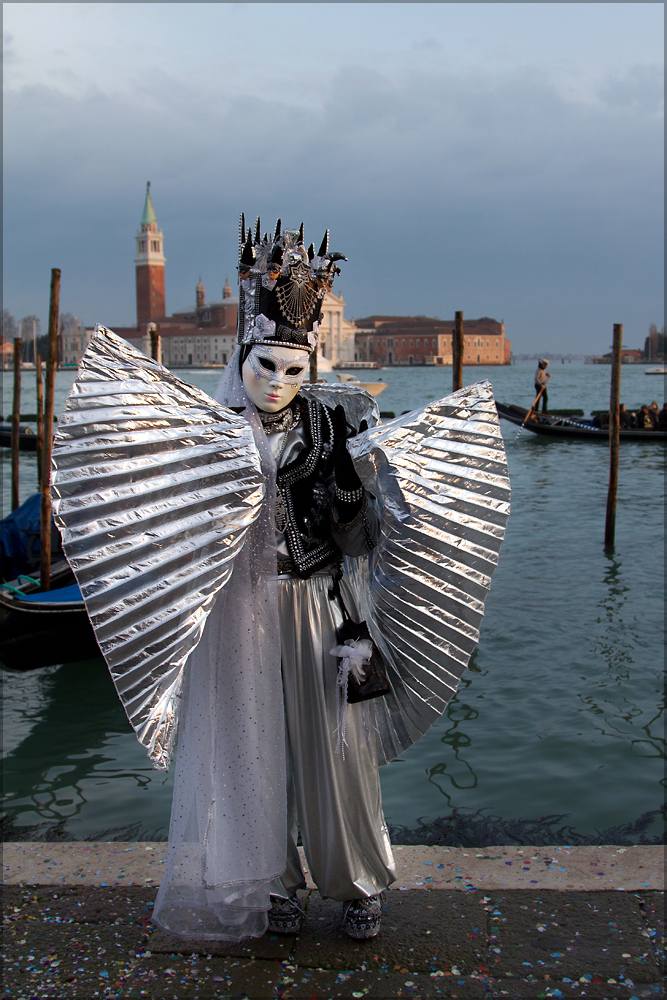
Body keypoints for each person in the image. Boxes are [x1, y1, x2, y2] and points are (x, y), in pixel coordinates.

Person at [50, 216, 510, 946]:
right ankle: (271, 879)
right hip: (235, 611)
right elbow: (167, 525)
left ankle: (357, 879)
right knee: (250, 746)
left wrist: (353, 503)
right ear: (244, 357)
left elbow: (360, 544)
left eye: (294, 370)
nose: (277, 384)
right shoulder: (207, 434)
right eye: (265, 365)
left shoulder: (334, 432)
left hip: (316, 608)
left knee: (334, 750)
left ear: (311, 367)